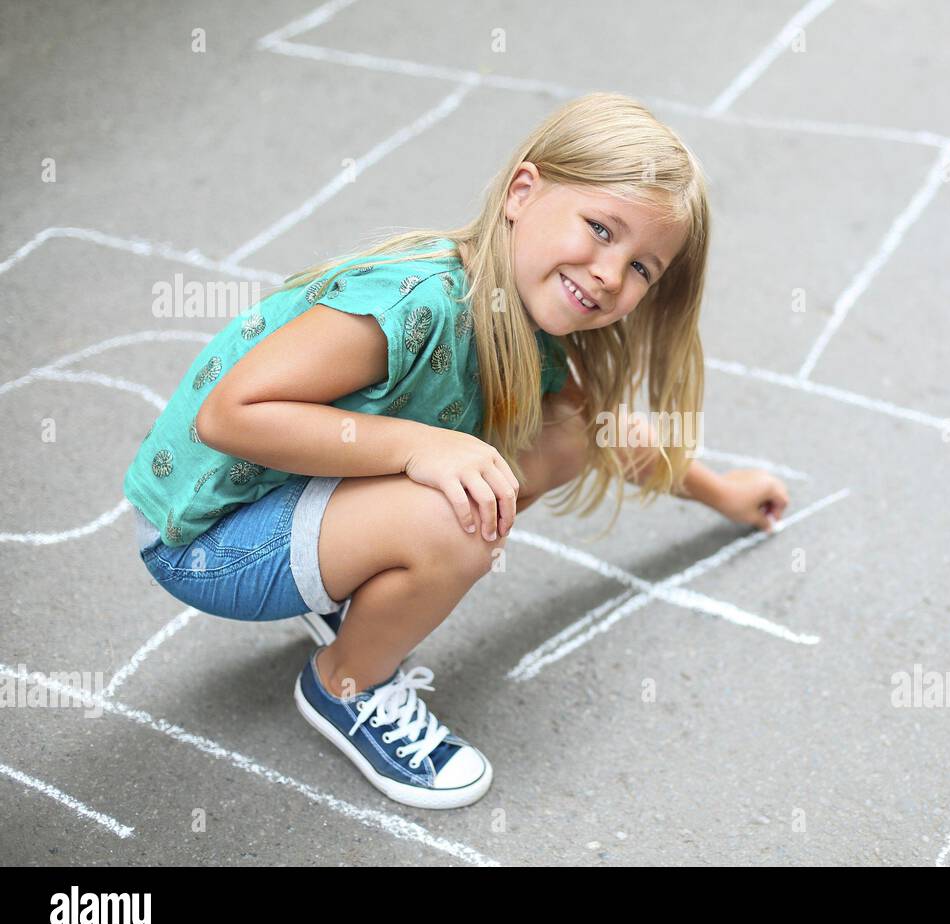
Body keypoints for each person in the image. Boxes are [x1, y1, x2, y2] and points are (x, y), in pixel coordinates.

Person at [123, 91, 790, 810]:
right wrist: (419, 447)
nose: (609, 273)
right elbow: (231, 414)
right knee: (460, 516)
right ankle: (347, 682)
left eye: (641, 269)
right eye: (600, 229)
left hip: (284, 503)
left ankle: (365, 603)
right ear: (522, 192)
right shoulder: (417, 302)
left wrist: (720, 492)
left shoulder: (530, 331)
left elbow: (604, 438)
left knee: (562, 435)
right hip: (203, 537)